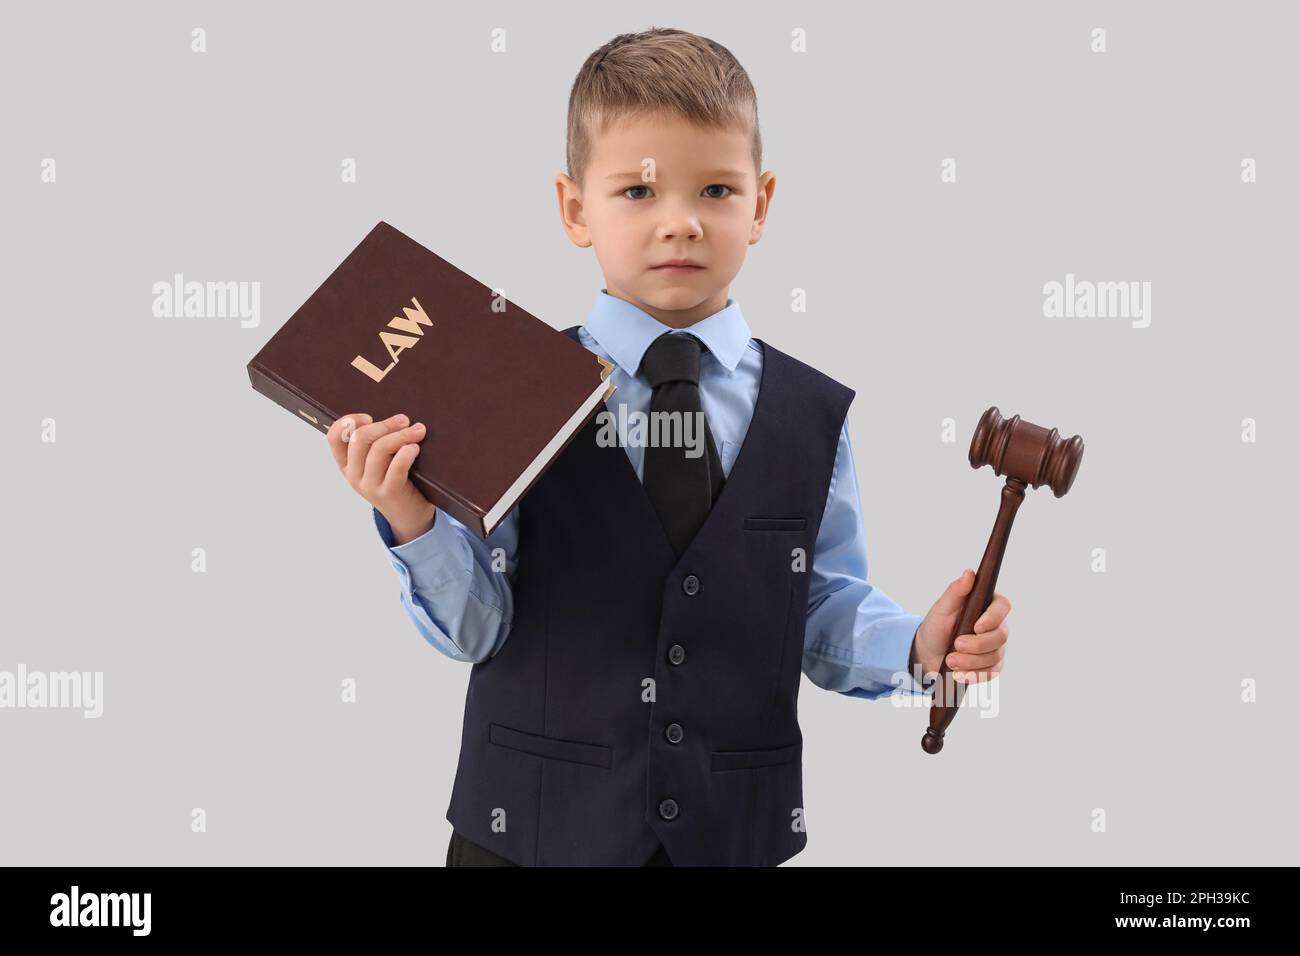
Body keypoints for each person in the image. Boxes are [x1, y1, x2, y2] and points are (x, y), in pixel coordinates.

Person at [327, 28, 1012, 867]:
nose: (679, 222)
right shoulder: (509, 389)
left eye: (716, 189)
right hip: (527, 836)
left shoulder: (812, 415)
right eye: (638, 192)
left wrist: (917, 648)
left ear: (760, 205)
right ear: (576, 207)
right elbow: (477, 630)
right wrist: (411, 517)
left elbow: (818, 606)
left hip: (731, 836)